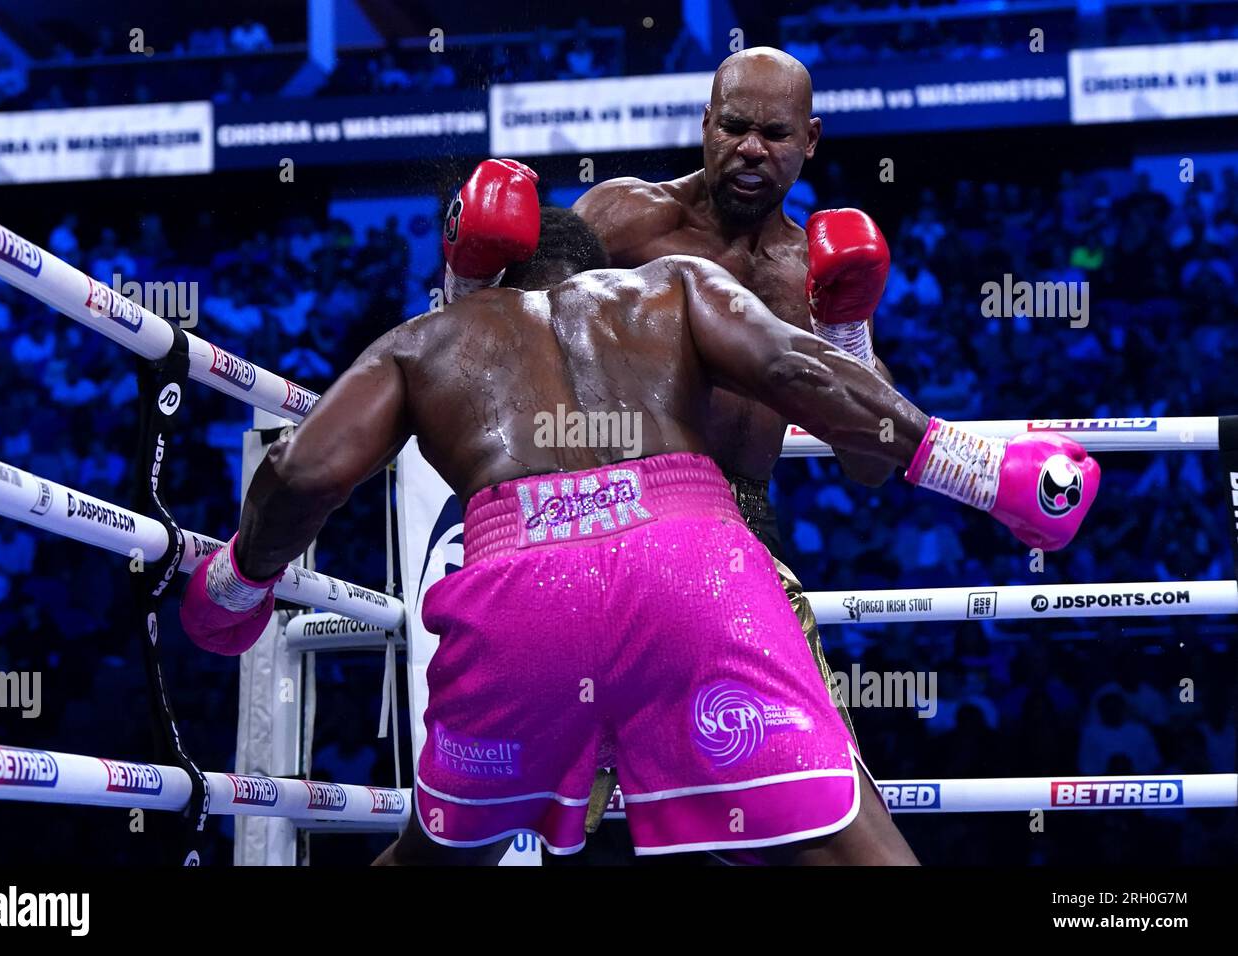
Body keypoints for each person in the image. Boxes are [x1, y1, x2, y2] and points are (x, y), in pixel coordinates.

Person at [180, 203, 1099, 864]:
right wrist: (977, 466)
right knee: (846, 844)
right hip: (691, 570)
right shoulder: (673, 287)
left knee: (440, 851)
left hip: (519, 591)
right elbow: (796, 368)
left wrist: (236, 584)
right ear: (590, 262)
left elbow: (304, 471)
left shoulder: (430, 338)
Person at [446, 47, 900, 848]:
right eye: (733, 127)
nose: (751, 148)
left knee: (821, 803)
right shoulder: (625, 219)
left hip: (735, 534)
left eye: (775, 133)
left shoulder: (811, 276)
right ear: (704, 125)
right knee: (512, 824)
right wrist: (470, 273)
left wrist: (846, 329)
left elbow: (871, 461)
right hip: (590, 517)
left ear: (812, 140)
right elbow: (491, 343)